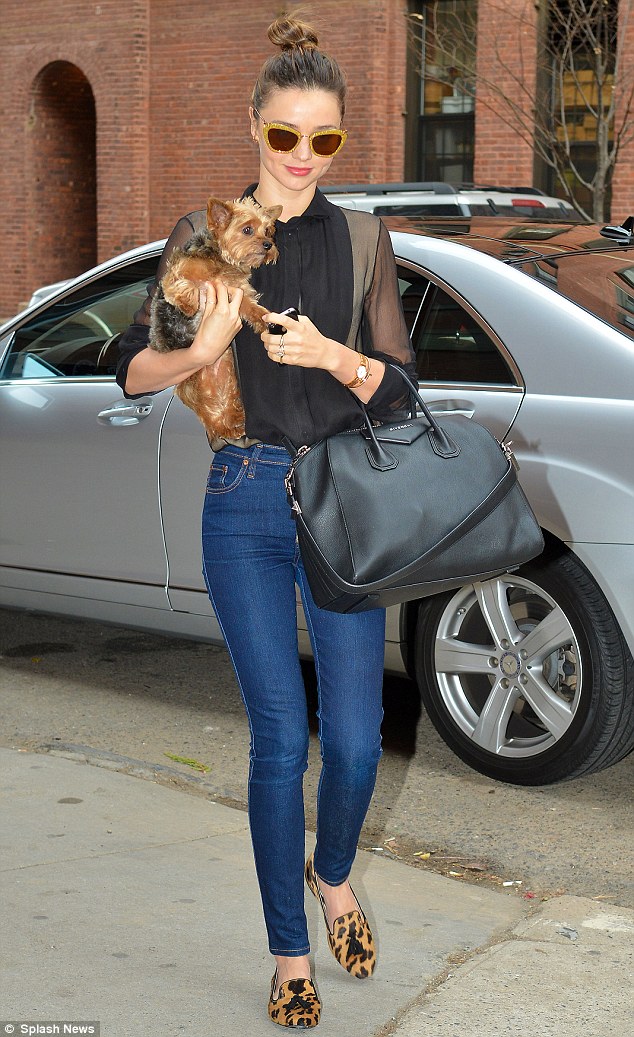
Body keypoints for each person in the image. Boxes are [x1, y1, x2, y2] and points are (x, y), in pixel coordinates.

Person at [117, 12, 415, 1029]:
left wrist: (336, 357)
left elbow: (402, 391)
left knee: (363, 741)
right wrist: (196, 356)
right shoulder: (202, 239)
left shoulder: (364, 238)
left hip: (345, 502)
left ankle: (334, 873)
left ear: (339, 142)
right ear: (253, 130)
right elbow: (131, 364)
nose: (299, 158)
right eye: (282, 136)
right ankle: (289, 951)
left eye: (320, 139)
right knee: (280, 738)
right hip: (242, 498)